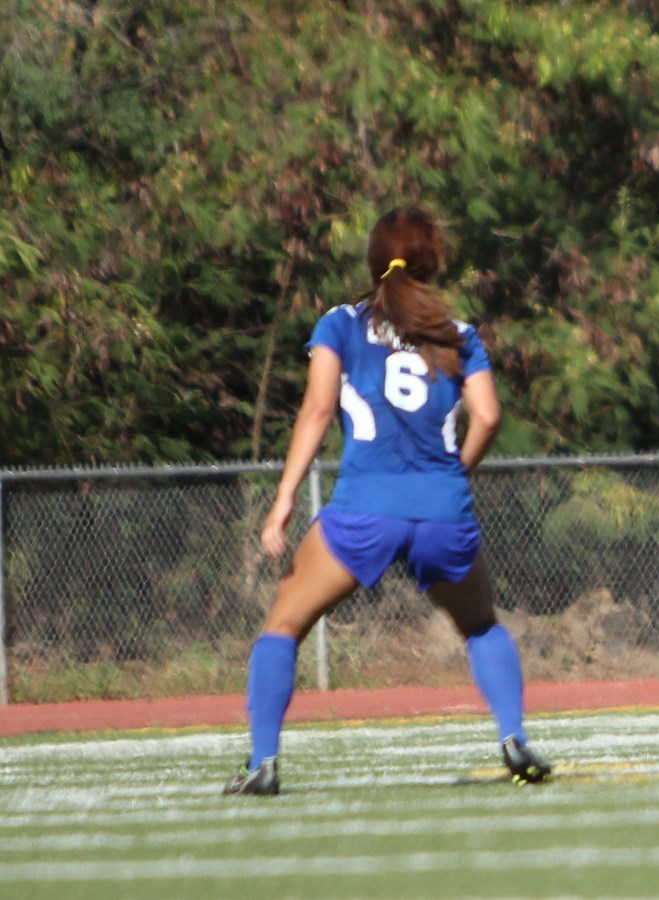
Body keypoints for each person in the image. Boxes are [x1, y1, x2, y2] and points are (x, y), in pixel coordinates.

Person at [224, 206, 550, 795]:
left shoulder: (342, 323)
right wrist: (456, 474)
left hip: (363, 511)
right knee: (480, 625)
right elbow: (490, 414)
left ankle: (263, 763)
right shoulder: (458, 333)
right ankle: (513, 735)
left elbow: (318, 411)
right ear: (434, 262)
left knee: (283, 626)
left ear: (374, 261)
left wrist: (283, 499)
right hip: (442, 512)